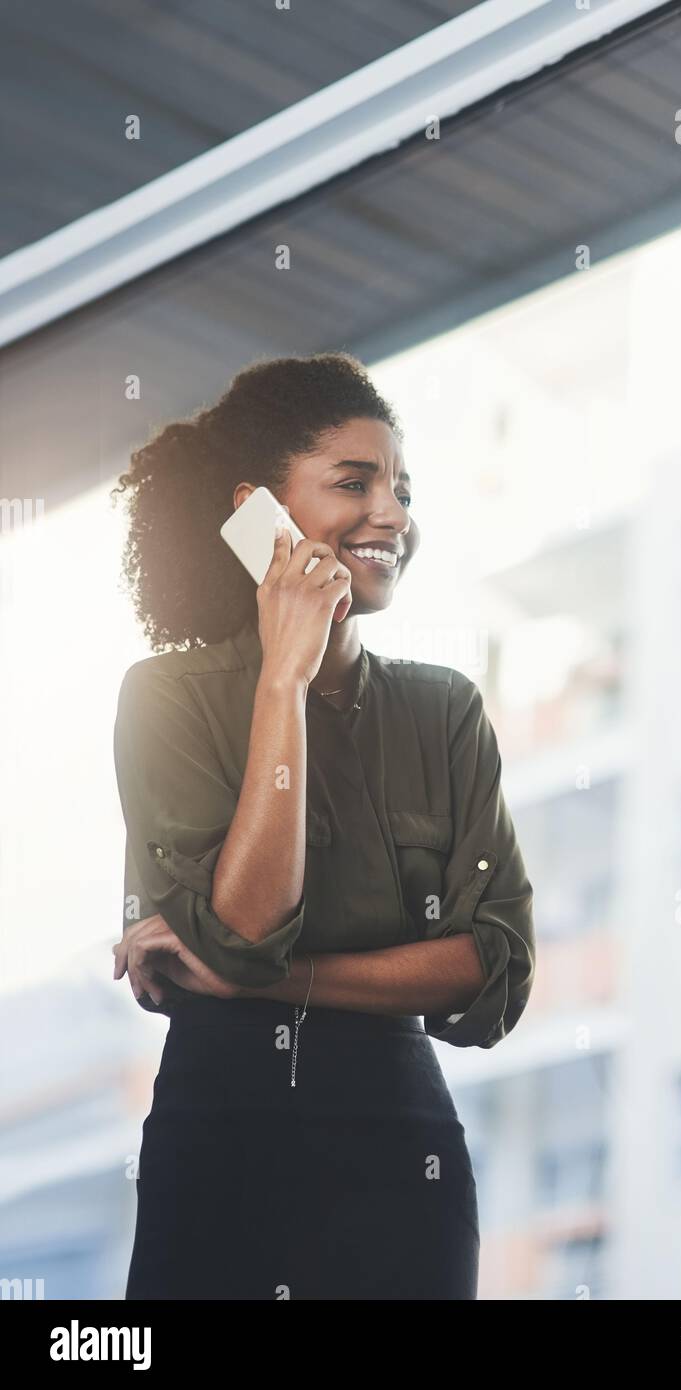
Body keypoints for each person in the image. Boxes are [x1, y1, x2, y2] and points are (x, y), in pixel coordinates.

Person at [110, 352, 535, 1300]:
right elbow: (252, 925)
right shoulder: (166, 700)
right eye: (355, 483)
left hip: (399, 1153)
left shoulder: (443, 712)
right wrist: (283, 678)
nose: (393, 515)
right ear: (256, 507)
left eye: (401, 490)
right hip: (221, 1139)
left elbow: (491, 968)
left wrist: (266, 983)